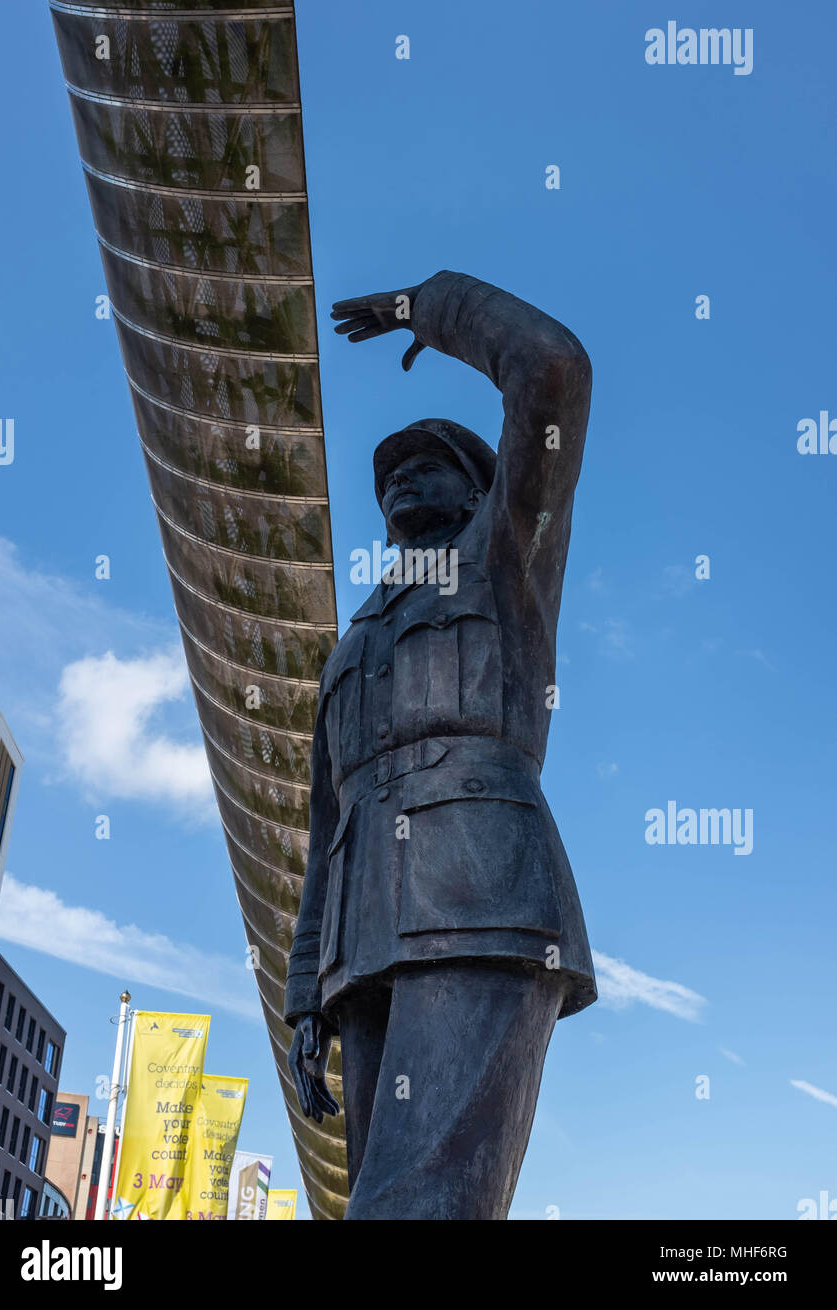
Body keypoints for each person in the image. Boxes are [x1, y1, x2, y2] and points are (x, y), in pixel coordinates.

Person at [285, 270, 597, 1219]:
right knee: (395, 1201)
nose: (402, 479)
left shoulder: (509, 562)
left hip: (483, 896)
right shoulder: (353, 649)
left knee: (417, 1202)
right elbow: (321, 830)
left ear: (482, 484)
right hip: (363, 943)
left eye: (429, 462)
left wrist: (433, 307)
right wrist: (306, 994)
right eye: (390, 474)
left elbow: (552, 368)